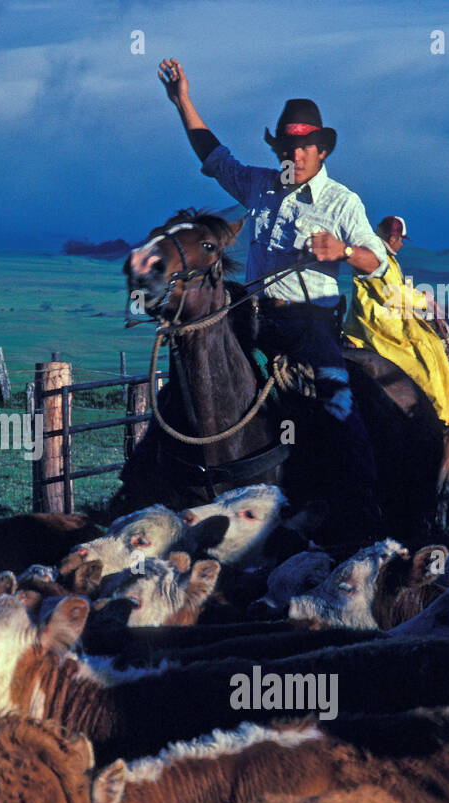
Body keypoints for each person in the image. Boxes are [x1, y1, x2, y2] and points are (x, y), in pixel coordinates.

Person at [158, 58, 390, 537]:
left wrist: (343, 250)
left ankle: (364, 511)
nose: (295, 154)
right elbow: (213, 155)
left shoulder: (342, 202)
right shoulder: (260, 185)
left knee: (339, 406)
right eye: (287, 145)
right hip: (253, 314)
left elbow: (379, 261)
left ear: (321, 151)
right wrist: (182, 100)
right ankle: (150, 478)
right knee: (188, 378)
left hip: (310, 324)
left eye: (304, 146)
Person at [344, 216, 449, 427]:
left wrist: (419, 296)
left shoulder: (382, 256)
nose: (401, 244)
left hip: (375, 317)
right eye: (400, 240)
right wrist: (424, 300)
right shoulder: (380, 259)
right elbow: (392, 294)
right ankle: (438, 412)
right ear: (393, 237)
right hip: (379, 323)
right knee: (428, 347)